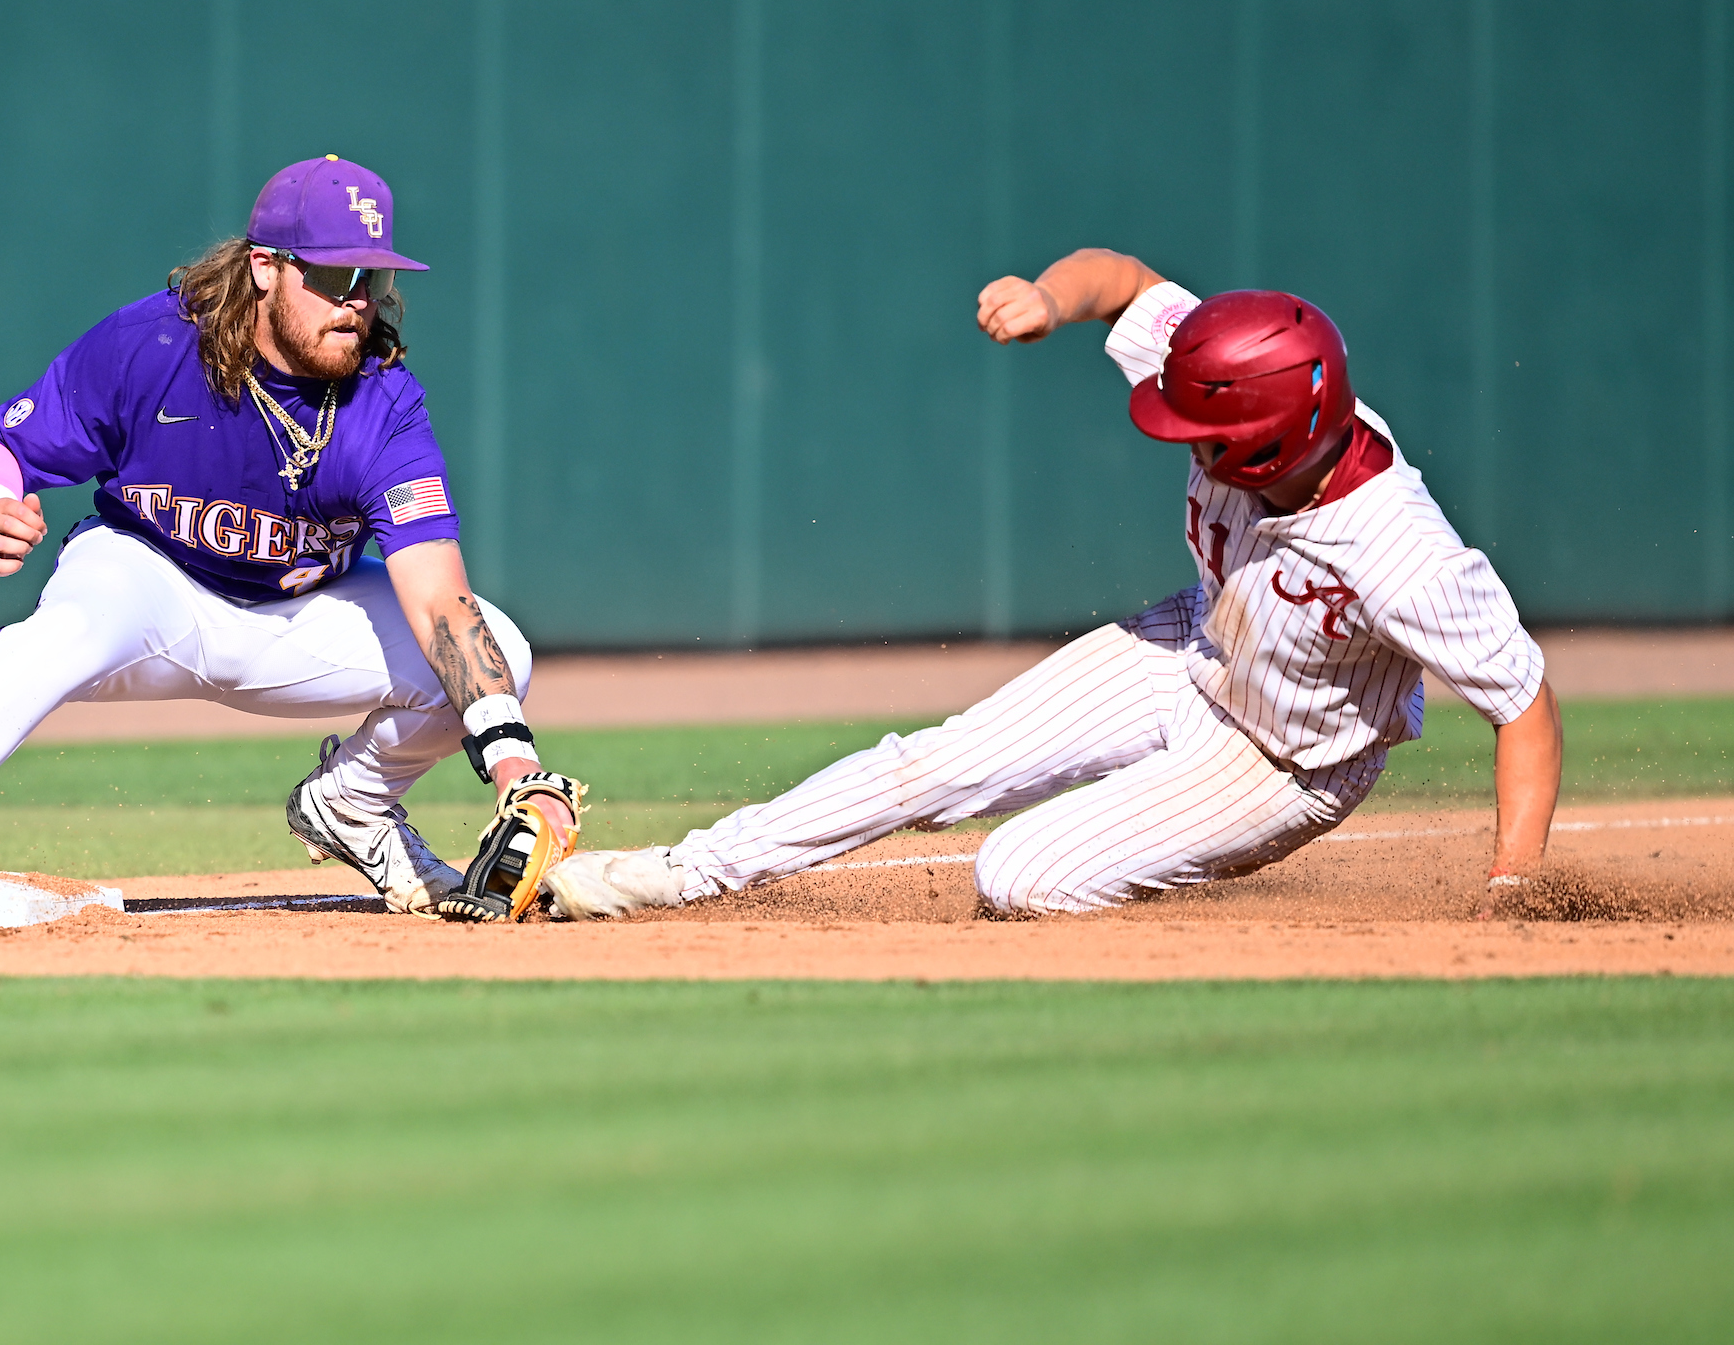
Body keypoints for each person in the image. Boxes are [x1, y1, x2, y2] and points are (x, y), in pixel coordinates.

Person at [542, 248, 1563, 921]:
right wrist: (1047, 297)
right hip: (1192, 649)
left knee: (1019, 874)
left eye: (1206, 435)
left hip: (1288, 758)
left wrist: (1514, 885)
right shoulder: (1234, 365)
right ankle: (690, 871)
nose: (1184, 440)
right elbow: (1119, 278)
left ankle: (1171, 899)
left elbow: (1523, 702)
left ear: (1273, 442)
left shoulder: (1402, 549)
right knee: (937, 764)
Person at [0, 156, 577, 919]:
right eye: (331, 274)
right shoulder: (152, 346)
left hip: (298, 618)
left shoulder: (384, 404)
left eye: (371, 277)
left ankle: (352, 804)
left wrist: (517, 770)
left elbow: (439, 601)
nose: (356, 299)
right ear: (264, 267)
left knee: (501, 647)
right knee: (55, 637)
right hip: (145, 586)